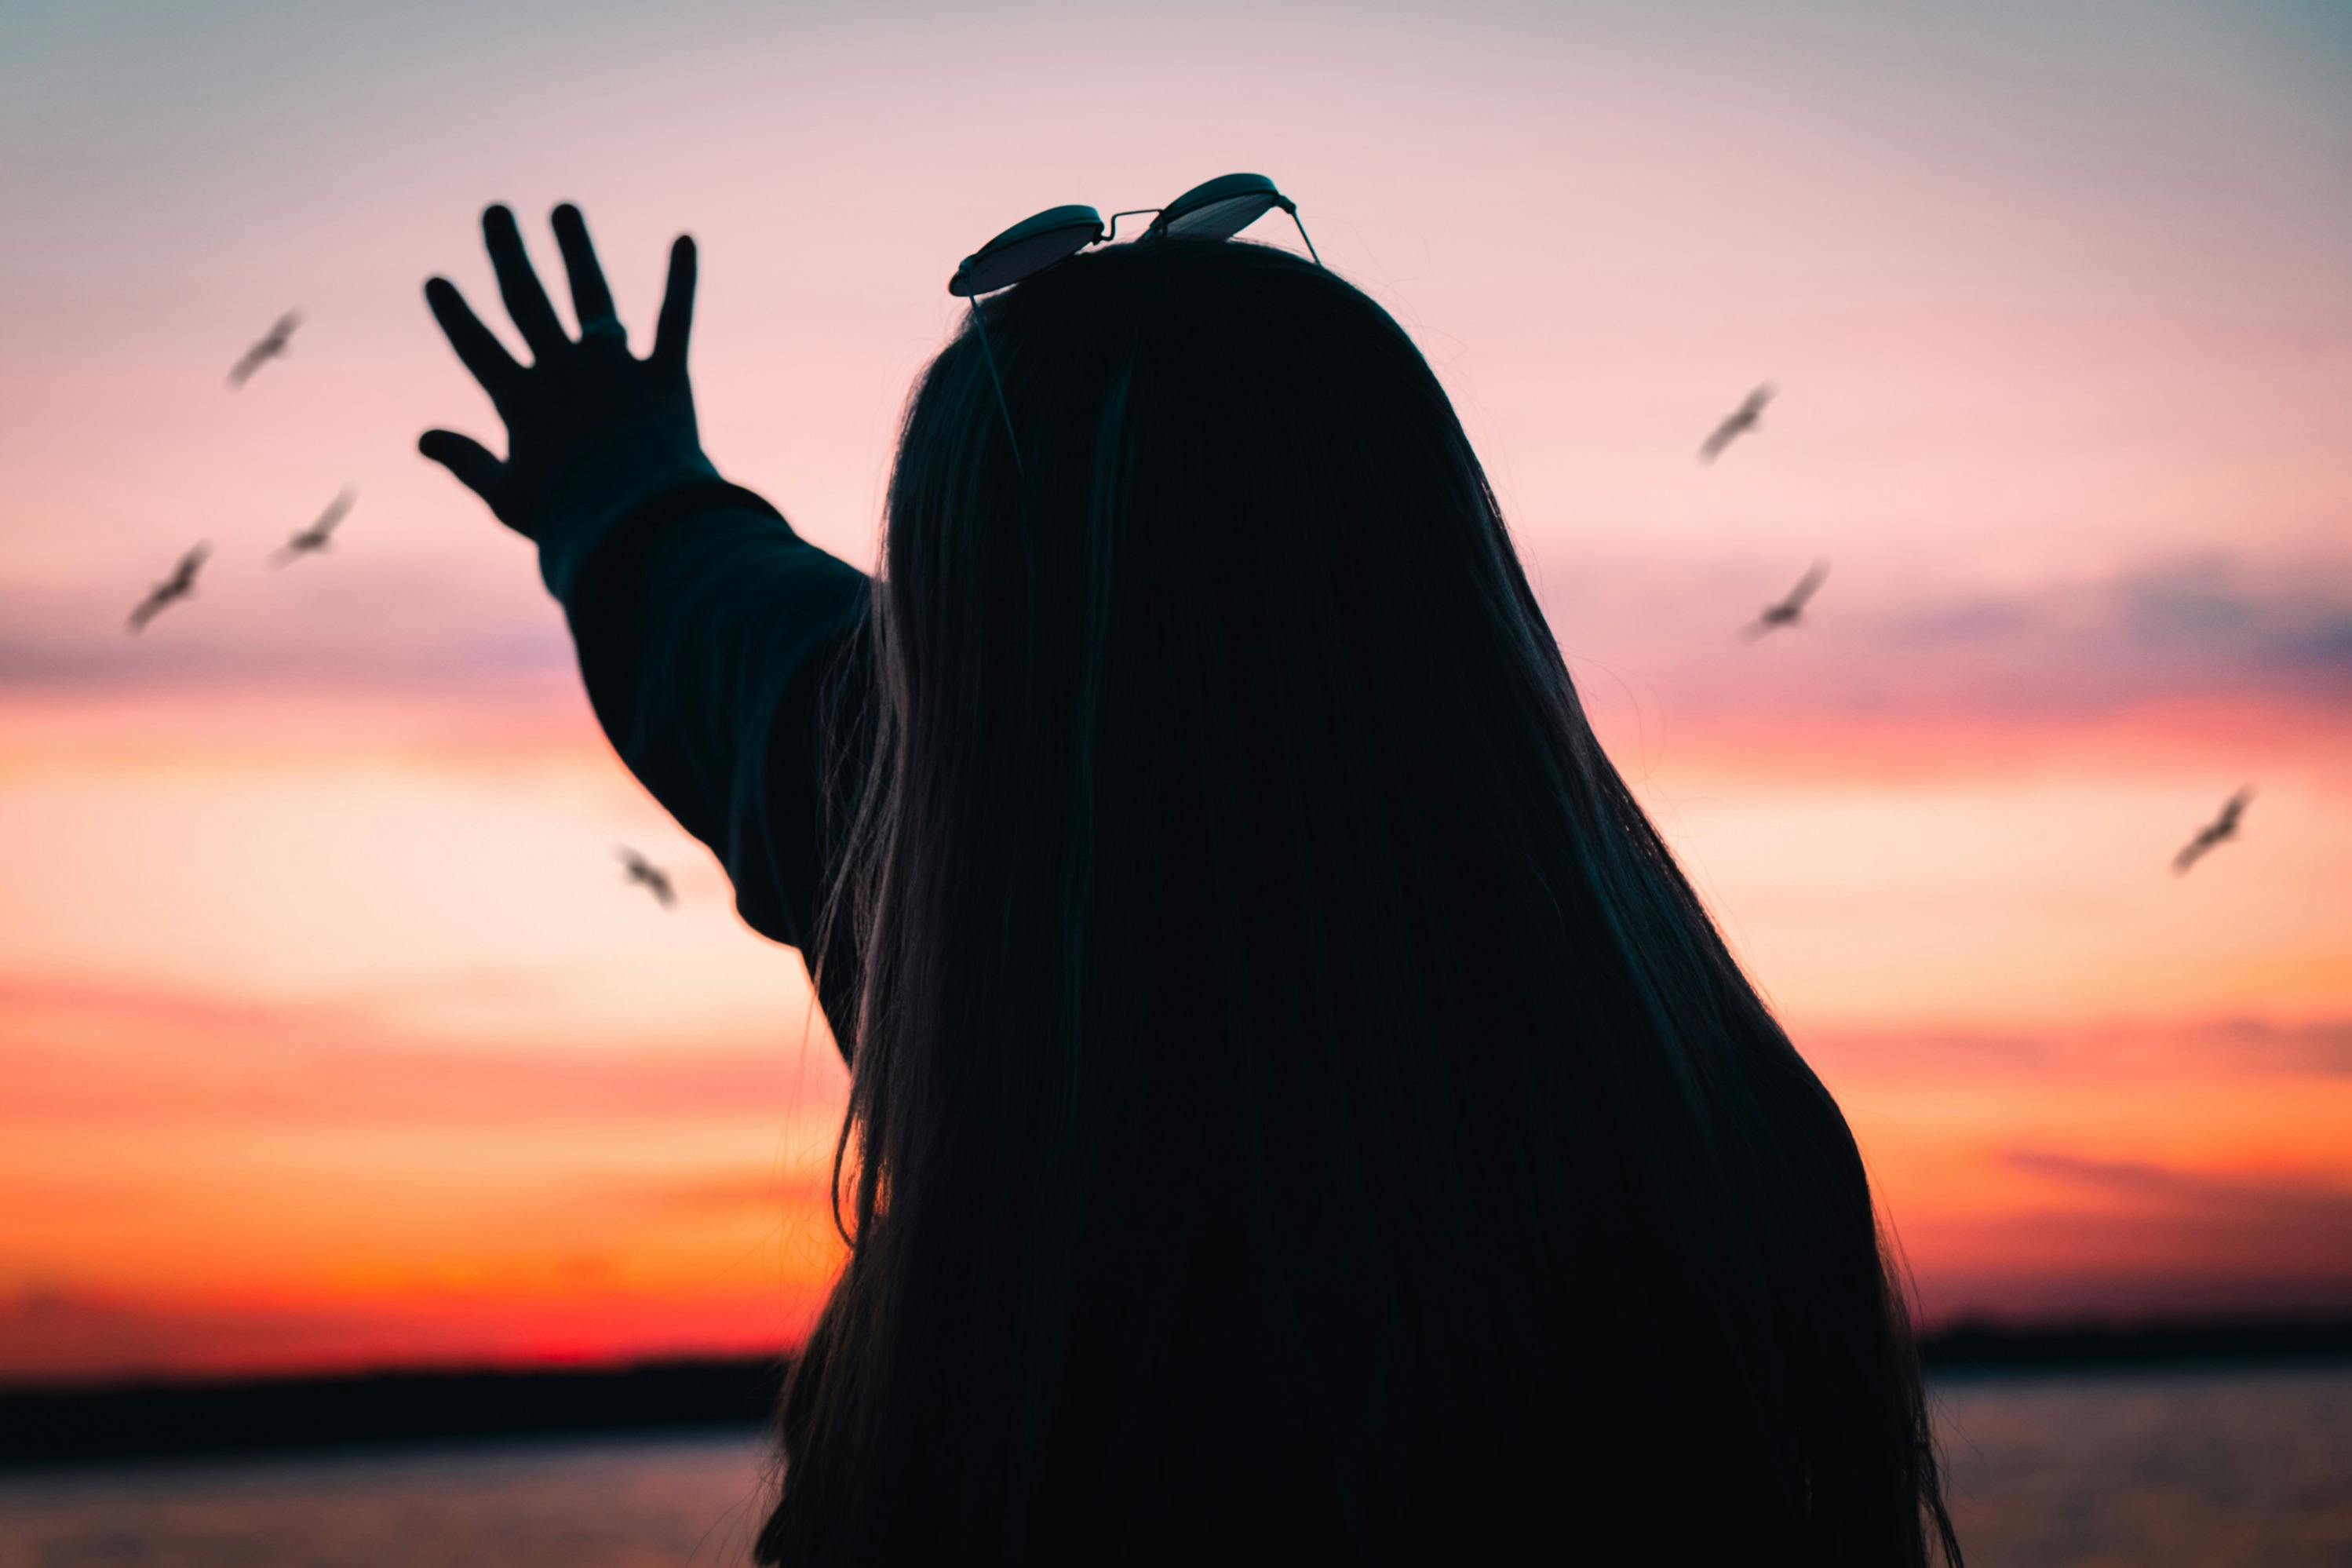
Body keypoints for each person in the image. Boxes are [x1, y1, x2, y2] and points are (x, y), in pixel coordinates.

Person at [420, 199, 1962, 1566]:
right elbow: (773, 678)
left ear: (951, 711)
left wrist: (622, 491)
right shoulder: (1718, 1146)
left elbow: (785, 706)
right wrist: (630, 498)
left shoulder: (1009, 998)